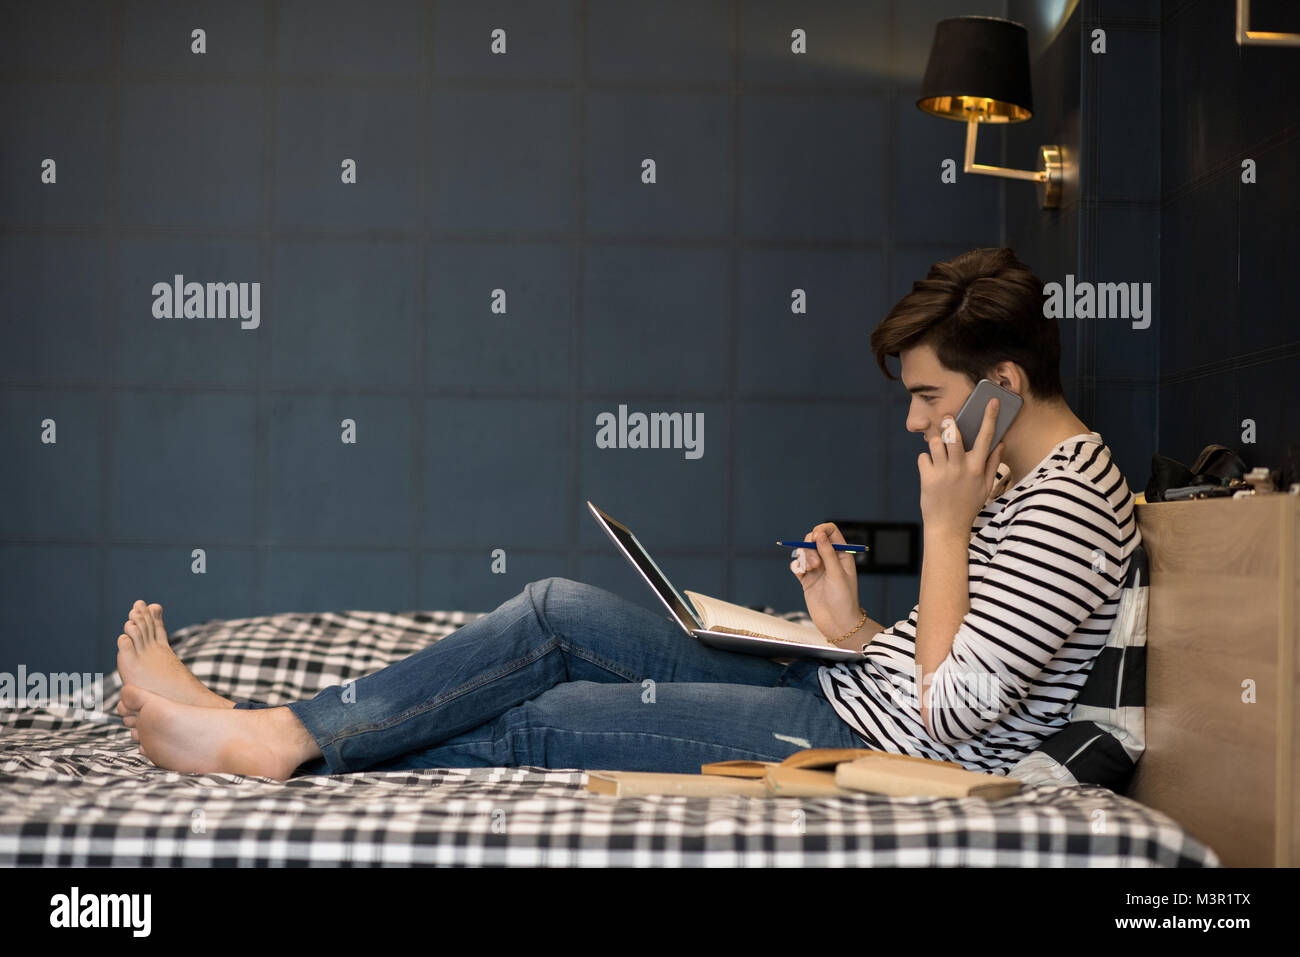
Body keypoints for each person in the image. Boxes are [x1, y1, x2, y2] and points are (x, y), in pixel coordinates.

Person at [117, 247, 1138, 781]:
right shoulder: (1025, 484)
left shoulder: (1069, 509)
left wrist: (946, 526)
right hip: (849, 690)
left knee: (542, 721)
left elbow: (953, 720)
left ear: (1001, 381)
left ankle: (266, 741)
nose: (915, 425)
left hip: (868, 745)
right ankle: (276, 729)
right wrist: (851, 630)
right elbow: (951, 662)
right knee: (555, 608)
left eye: (927, 397)